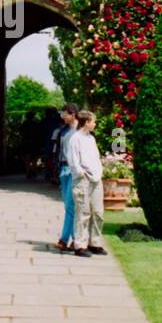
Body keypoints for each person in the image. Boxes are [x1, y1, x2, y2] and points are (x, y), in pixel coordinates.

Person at [69, 110, 106, 258]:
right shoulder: (75, 139)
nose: (95, 124)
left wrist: (99, 171)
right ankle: (80, 245)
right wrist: (80, 173)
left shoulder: (91, 139)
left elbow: (96, 157)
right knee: (83, 213)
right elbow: (73, 159)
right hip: (83, 180)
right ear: (86, 122)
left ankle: (95, 243)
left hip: (96, 179)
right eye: (93, 121)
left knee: (97, 212)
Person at [53, 104, 79, 251]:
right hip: (63, 168)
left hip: (74, 170)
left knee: (71, 205)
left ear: (73, 114)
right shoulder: (63, 130)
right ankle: (74, 240)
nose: (62, 116)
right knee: (68, 206)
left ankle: (67, 240)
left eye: (65, 114)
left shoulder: (80, 131)